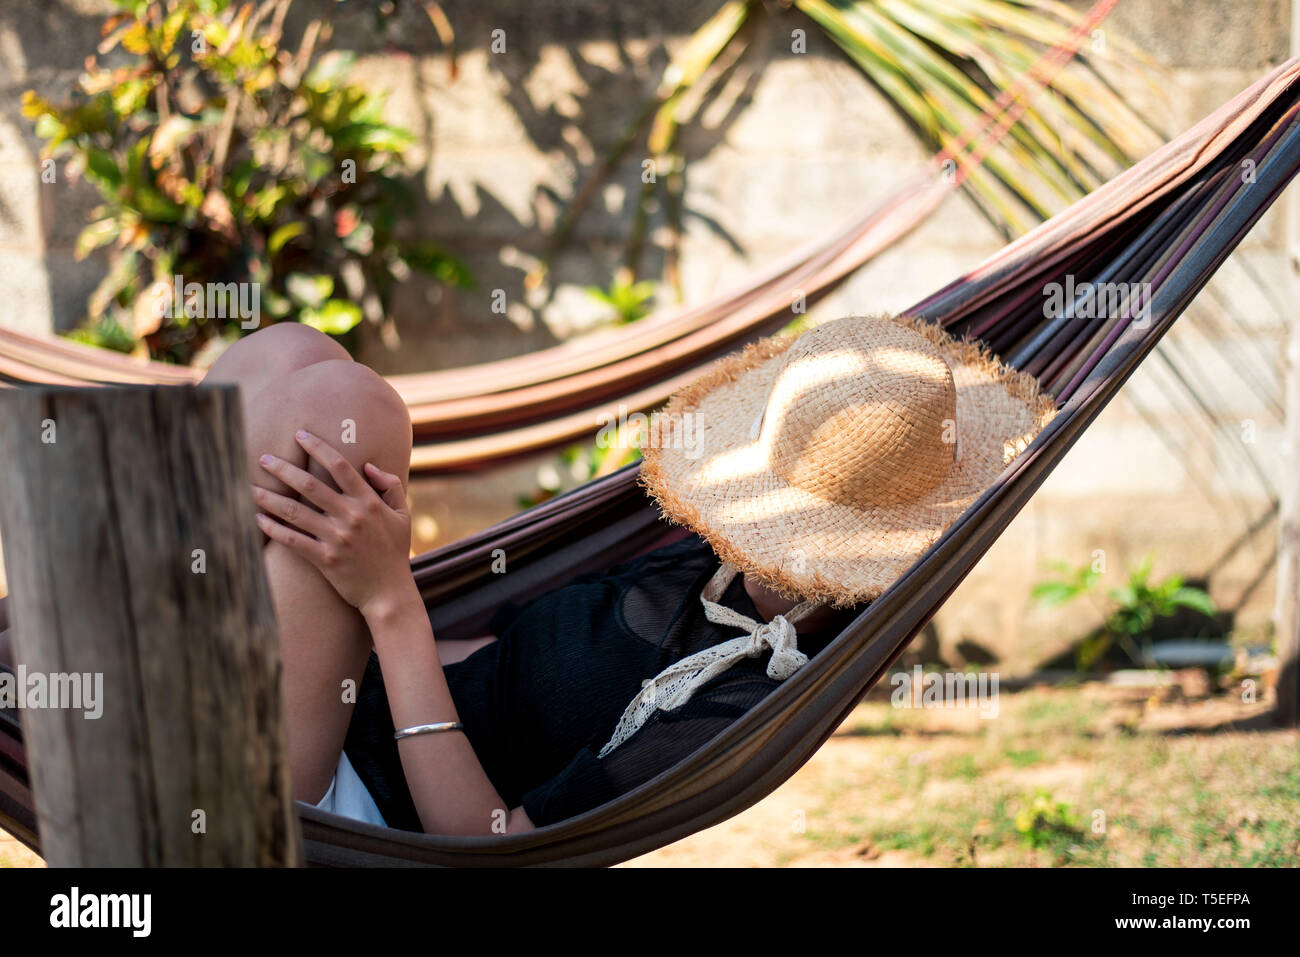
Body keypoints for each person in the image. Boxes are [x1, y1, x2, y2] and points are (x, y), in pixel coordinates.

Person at [203, 313, 1055, 835]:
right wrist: (358, 622)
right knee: (286, 355)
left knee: (351, 412)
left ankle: (141, 597)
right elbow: (494, 660)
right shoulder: (715, 559)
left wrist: (391, 604)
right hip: (342, 709)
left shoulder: (736, 701)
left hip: (353, 818)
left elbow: (493, 842)